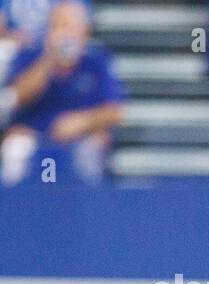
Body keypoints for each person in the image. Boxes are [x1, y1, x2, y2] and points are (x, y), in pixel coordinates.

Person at [0, 0, 123, 185]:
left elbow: (115, 111)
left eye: (69, 26)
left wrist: (83, 122)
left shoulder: (96, 61)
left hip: (78, 136)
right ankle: (13, 201)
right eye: (57, 25)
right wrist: (48, 61)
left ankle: (88, 200)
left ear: (84, 30)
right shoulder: (29, 55)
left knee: (93, 146)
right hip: (34, 134)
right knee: (15, 146)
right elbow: (15, 99)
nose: (64, 33)